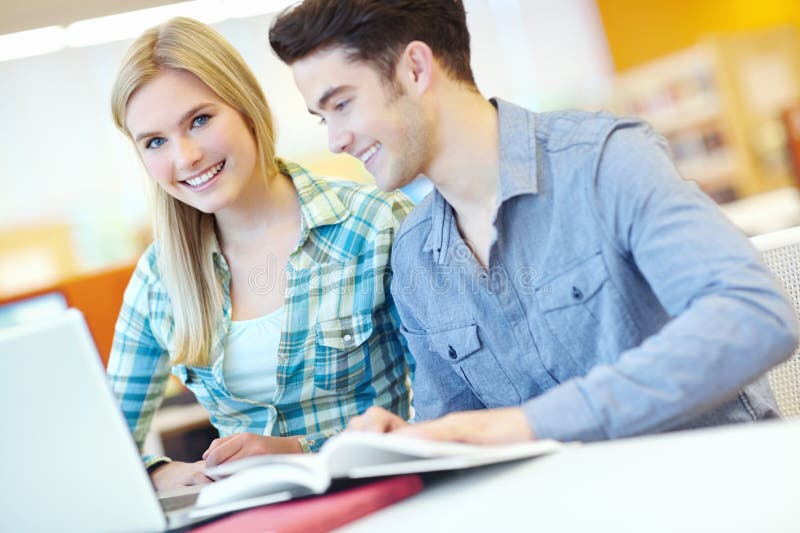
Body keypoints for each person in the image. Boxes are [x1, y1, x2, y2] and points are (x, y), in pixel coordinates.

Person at [268, 0, 798, 445]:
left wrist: (526, 425)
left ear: (415, 69)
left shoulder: (601, 161)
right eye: (323, 118)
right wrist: (411, 444)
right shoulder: (413, 259)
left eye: (341, 105)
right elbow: (453, 428)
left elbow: (756, 317)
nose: (334, 140)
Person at [107, 16, 413, 490]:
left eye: (200, 120)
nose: (185, 157)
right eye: (155, 141)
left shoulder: (375, 224)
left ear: (246, 107)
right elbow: (106, 443)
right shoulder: (159, 278)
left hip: (387, 499)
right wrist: (162, 473)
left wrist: (303, 452)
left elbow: (450, 410)